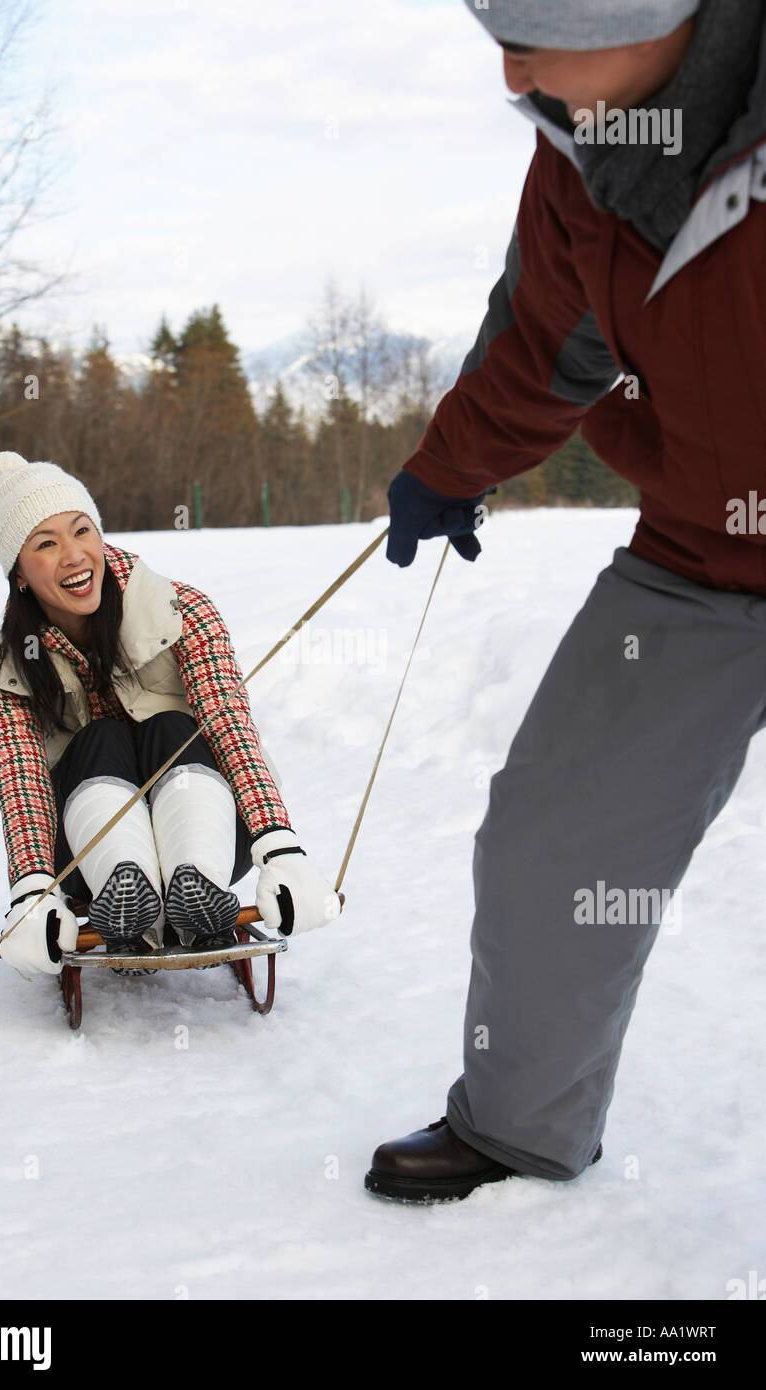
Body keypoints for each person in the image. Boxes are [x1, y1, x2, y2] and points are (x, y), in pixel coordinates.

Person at [366, 0, 766, 1200]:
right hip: (703, 551)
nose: (508, 60)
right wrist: (447, 469)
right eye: (494, 20)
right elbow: (547, 339)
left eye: (538, 21)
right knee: (554, 831)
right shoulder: (579, 151)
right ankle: (519, 1124)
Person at [0, 450, 340, 977]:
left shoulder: (181, 611)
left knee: (172, 726)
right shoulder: (3, 669)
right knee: (98, 737)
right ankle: (128, 889)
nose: (74, 555)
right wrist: (32, 889)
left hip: (213, 831)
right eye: (46, 544)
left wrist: (281, 847)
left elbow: (231, 727)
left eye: (82, 531)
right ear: (20, 574)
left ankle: (197, 884)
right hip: (83, 859)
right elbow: (21, 781)